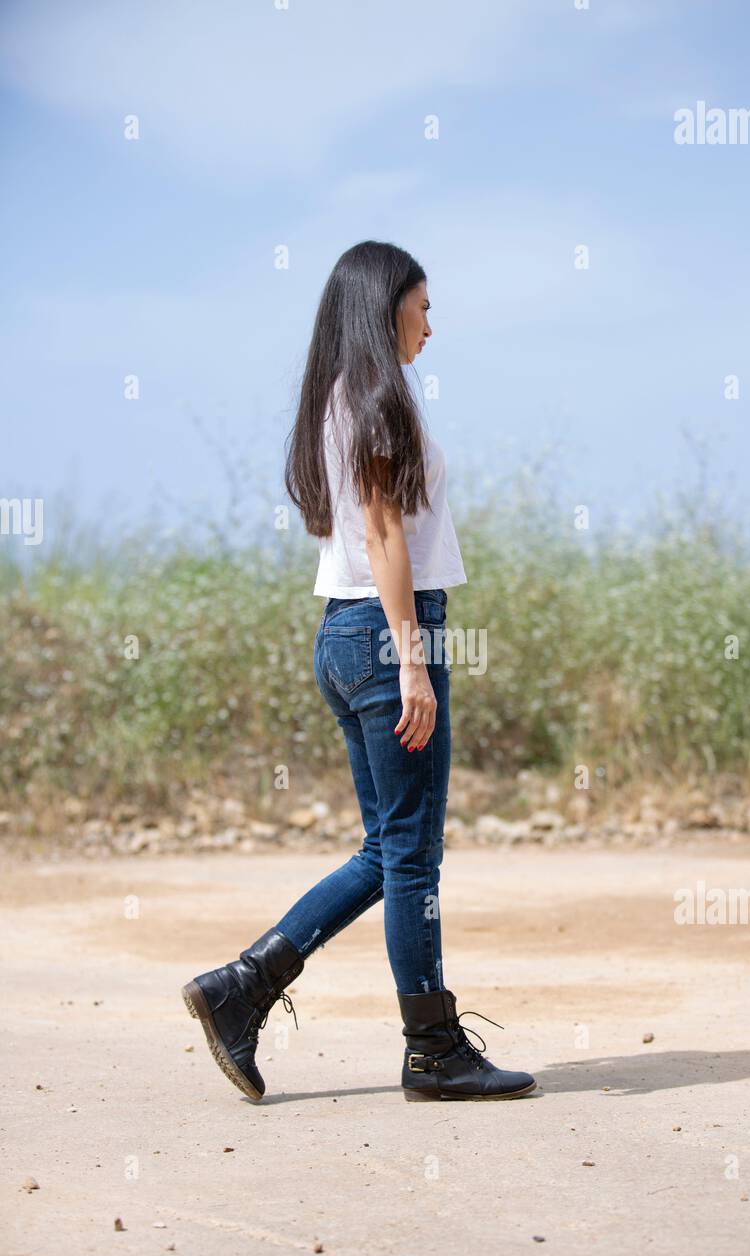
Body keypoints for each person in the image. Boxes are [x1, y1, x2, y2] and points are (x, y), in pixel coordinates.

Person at [182, 241, 536, 1103]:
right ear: (386, 309)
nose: (430, 325)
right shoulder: (375, 395)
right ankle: (433, 1050)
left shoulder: (336, 397)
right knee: (412, 856)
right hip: (386, 637)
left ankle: (242, 989)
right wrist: (414, 661)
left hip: (346, 634)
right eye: (422, 306)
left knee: (389, 849)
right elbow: (383, 538)